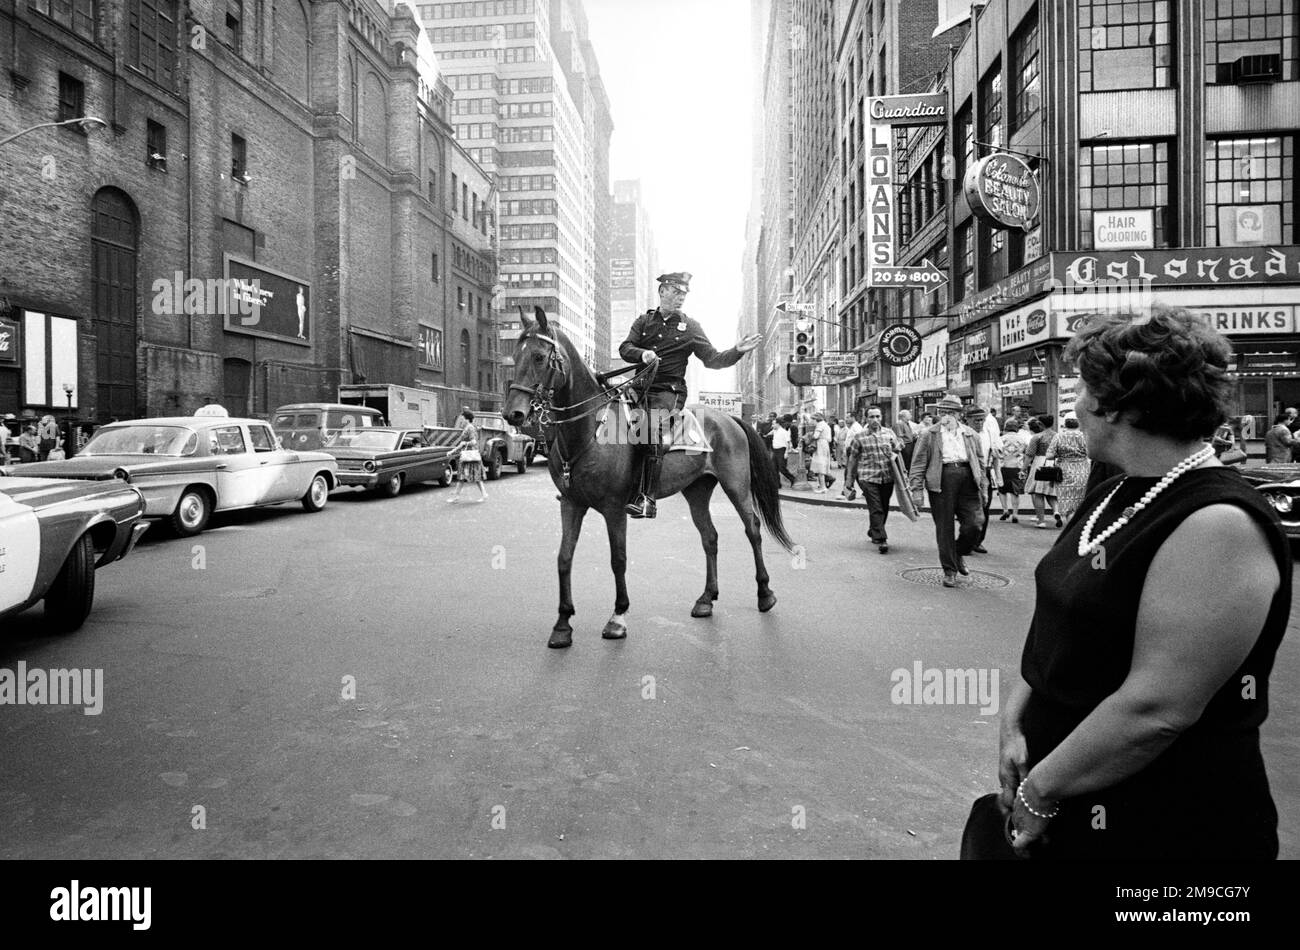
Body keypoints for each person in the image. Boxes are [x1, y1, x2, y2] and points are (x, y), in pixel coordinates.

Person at [1001, 308, 1290, 860]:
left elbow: (1157, 709)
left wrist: (1039, 792)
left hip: (1163, 826)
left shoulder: (1217, 522)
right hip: (1069, 796)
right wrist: (1015, 719)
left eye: (1084, 390)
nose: (1076, 407)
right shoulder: (1116, 491)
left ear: (1116, 406)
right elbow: (1060, 625)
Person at [618, 272, 761, 518]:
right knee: (607, 422)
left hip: (668, 392)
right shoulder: (643, 322)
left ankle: (647, 498)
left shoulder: (690, 327)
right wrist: (642, 354)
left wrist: (737, 351)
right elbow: (625, 348)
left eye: (683, 294)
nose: (680, 297)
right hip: (638, 389)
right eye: (675, 292)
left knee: (649, 429)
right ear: (662, 291)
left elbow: (713, 359)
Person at [908, 395, 986, 587]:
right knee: (945, 528)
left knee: (976, 523)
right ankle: (949, 570)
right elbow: (918, 464)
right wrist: (916, 490)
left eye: (951, 413)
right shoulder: (929, 434)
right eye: (943, 412)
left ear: (959, 415)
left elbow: (981, 463)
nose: (947, 416)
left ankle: (959, 552)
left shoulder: (970, 434)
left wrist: (983, 486)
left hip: (968, 480)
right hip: (941, 480)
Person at [845, 407, 900, 553]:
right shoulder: (860, 437)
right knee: (876, 507)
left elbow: (898, 450)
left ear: (881, 417)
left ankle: (874, 529)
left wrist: (894, 453)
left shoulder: (889, 433)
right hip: (867, 477)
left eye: (877, 416)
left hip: (887, 477)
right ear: (866, 419)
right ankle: (881, 539)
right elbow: (853, 459)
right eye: (871, 417)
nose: (875, 420)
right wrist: (849, 481)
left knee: (884, 506)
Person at [966, 406, 1000, 554]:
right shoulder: (963, 433)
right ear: (968, 420)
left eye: (982, 420)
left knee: (984, 508)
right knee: (967, 510)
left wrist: (998, 477)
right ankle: (967, 540)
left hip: (985, 472)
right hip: (966, 472)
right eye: (976, 420)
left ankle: (978, 541)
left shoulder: (989, 434)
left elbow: (995, 454)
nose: (979, 423)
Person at [1044, 413, 1090, 521]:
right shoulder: (1084, 436)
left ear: (1065, 424)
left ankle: (1070, 525)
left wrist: (1061, 454)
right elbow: (1091, 453)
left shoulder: (1058, 436)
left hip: (1064, 471)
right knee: (1080, 500)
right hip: (1082, 470)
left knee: (1067, 501)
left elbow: (1049, 456)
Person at [1021, 416, 1060, 529]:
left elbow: (1029, 455)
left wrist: (1023, 469)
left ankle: (1041, 520)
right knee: (1051, 491)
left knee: (1038, 493)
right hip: (1053, 462)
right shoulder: (1057, 436)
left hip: (1039, 462)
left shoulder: (1037, 437)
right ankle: (1056, 510)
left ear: (1041, 424)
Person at [448, 409, 487, 503]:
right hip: (468, 456)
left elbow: (473, 442)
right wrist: (453, 451)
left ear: (467, 419)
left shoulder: (470, 428)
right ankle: (457, 496)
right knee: (470, 477)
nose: (462, 420)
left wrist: (464, 443)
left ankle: (456, 497)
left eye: (463, 418)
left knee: (467, 477)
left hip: (469, 456)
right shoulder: (469, 427)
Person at [997, 419, 1028, 523]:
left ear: (1006, 428)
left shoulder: (1000, 439)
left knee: (1002, 490)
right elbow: (1026, 453)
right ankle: (1015, 513)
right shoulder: (1022, 440)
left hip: (1003, 466)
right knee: (1015, 492)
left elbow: (997, 452)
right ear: (1016, 428)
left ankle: (1005, 510)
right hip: (1017, 467)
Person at [809, 412, 835, 493]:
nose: (811, 422)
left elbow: (815, 436)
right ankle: (822, 485)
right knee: (823, 465)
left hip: (820, 445)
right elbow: (830, 439)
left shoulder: (819, 425)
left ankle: (823, 487)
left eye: (812, 420)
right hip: (825, 445)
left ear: (815, 419)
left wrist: (809, 436)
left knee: (820, 466)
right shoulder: (826, 425)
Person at [771, 414, 796, 486]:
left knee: (782, 468)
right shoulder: (775, 431)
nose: (772, 426)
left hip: (782, 450)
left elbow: (788, 443)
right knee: (774, 468)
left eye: (773, 424)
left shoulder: (784, 432)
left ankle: (792, 478)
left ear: (778, 424)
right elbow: (770, 433)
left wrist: (786, 453)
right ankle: (777, 483)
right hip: (775, 450)